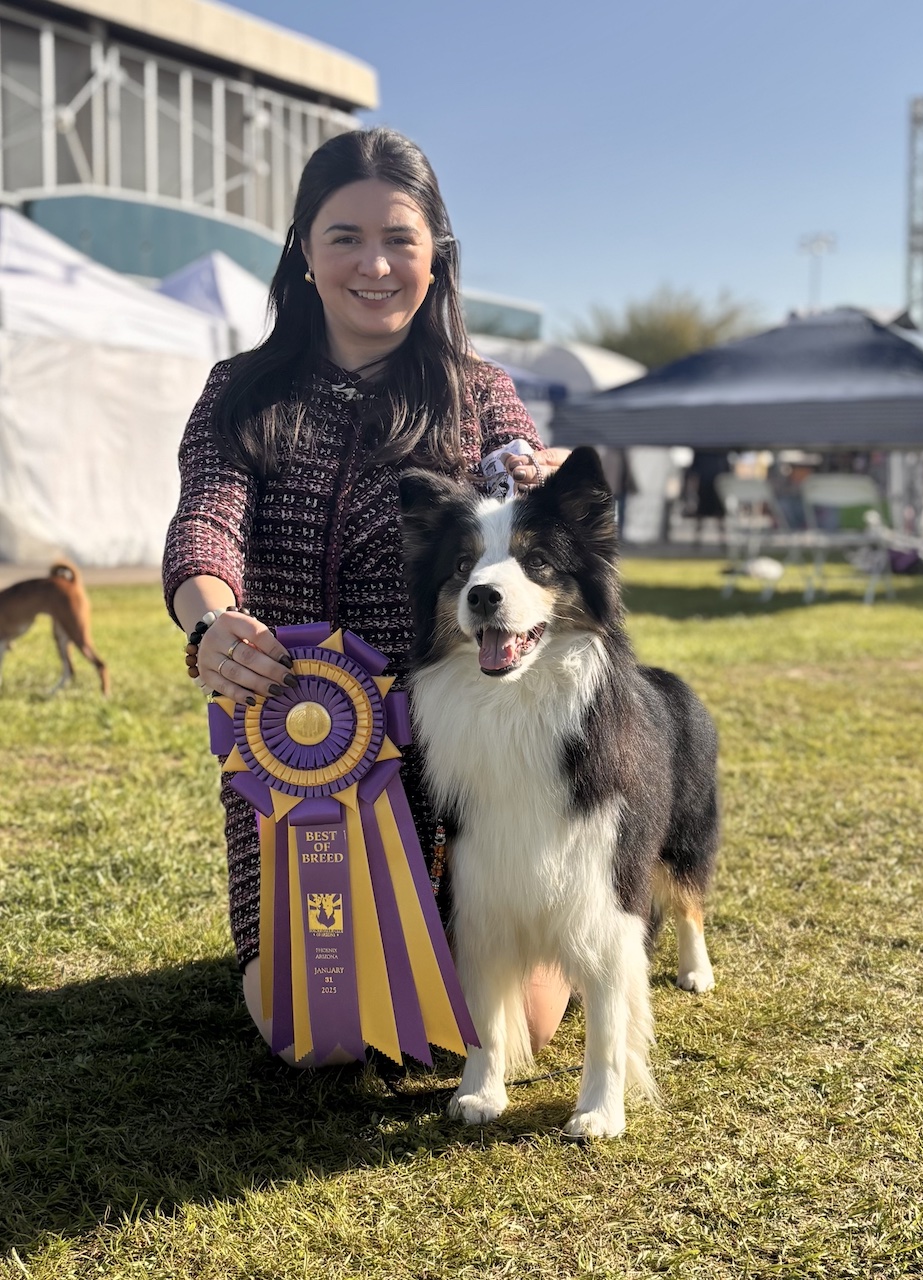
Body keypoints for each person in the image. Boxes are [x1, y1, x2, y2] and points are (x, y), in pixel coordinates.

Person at [162, 127, 569, 1064]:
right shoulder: (240, 389)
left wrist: (529, 480)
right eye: (344, 237)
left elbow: (525, 494)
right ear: (304, 251)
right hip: (295, 762)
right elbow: (204, 522)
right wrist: (211, 617)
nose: (374, 264)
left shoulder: (481, 392)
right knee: (309, 1035)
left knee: (516, 1035)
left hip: (467, 766)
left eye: (400, 238)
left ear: (437, 256)